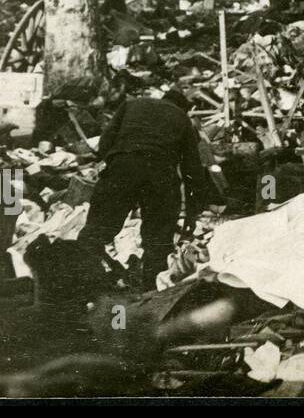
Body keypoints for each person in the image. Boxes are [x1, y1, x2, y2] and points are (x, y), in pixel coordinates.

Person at [78, 88, 207, 290]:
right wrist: (191, 213)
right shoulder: (183, 119)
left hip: (123, 166)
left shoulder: (132, 104)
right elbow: (192, 170)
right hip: (160, 175)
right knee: (158, 238)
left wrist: (112, 162)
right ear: (183, 107)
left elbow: (105, 142)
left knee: (97, 230)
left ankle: (80, 283)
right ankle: (151, 291)